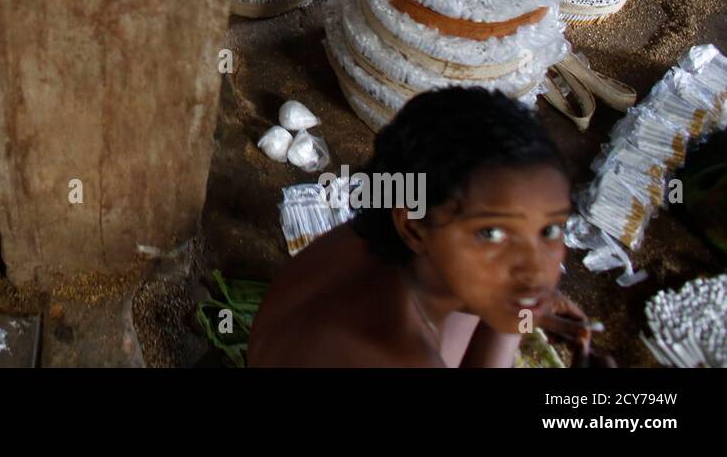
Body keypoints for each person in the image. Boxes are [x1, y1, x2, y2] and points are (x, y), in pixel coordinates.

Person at [248, 88, 605, 367]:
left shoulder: (373, 233)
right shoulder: (395, 353)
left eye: (549, 230)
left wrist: (521, 313)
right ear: (414, 226)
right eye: (491, 234)